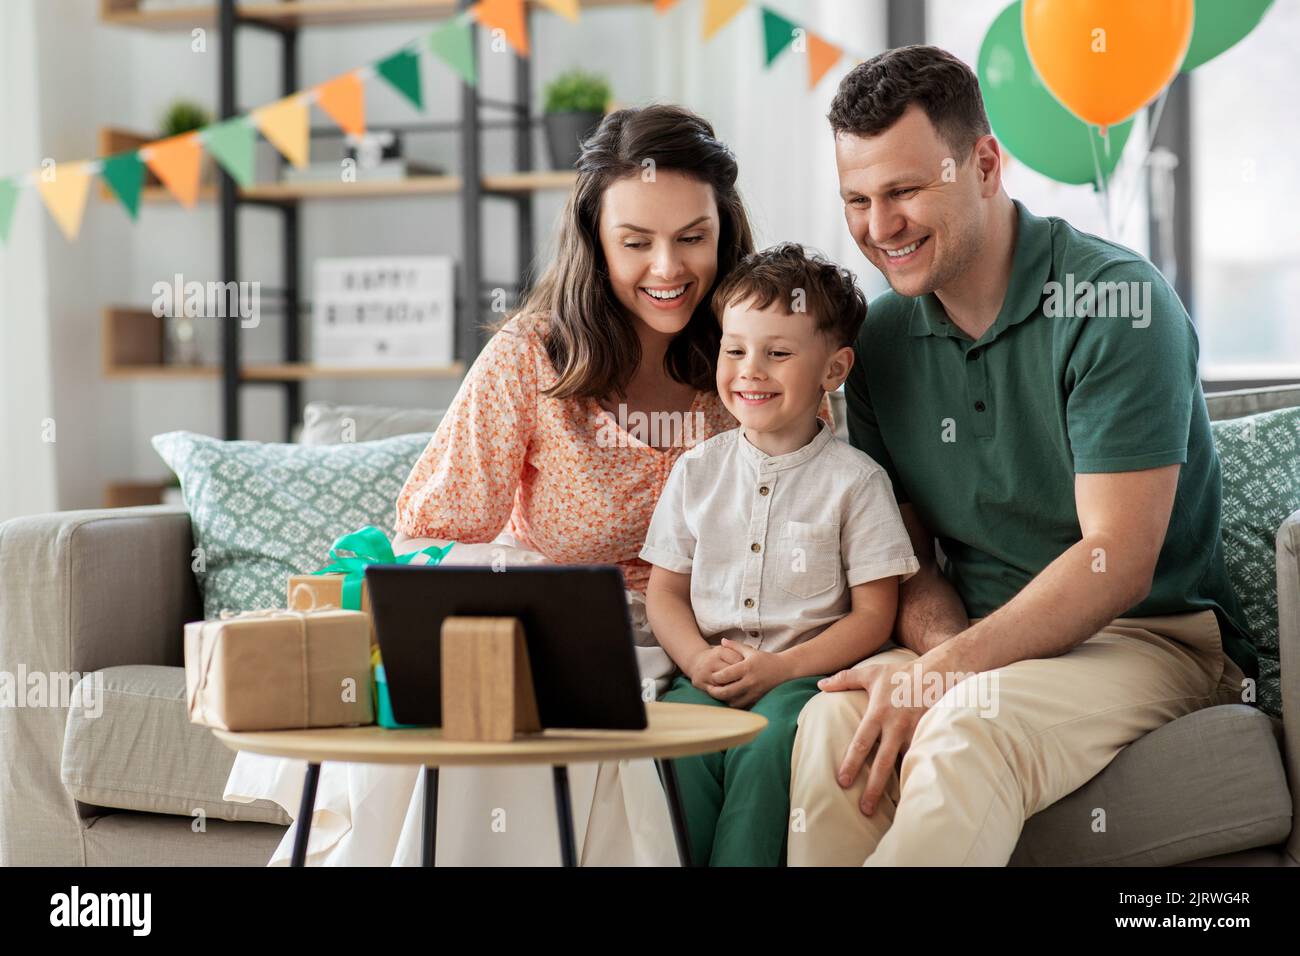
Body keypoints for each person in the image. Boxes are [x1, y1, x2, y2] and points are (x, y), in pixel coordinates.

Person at [224, 103, 824, 864]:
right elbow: (428, 532)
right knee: (497, 730)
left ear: (725, 233)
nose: (667, 269)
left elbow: (820, 498)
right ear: (596, 241)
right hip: (560, 634)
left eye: (692, 239)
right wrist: (537, 589)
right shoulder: (533, 356)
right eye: (635, 242)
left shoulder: (759, 357)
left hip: (709, 645)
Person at [788, 45, 1256, 867]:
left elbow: (1117, 561)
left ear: (985, 164)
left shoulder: (1117, 304)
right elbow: (903, 557)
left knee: (971, 728)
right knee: (835, 724)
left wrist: (953, 676)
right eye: (857, 199)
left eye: (903, 191)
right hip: (974, 638)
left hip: (1147, 638)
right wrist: (943, 659)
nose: (878, 226)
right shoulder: (879, 340)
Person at [641, 242, 917, 866]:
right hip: (704, 675)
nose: (750, 371)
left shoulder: (858, 481)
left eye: (779, 353)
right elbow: (665, 590)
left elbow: (875, 616)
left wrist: (780, 672)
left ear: (834, 370)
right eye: (735, 350)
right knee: (669, 745)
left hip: (802, 681)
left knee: (766, 751)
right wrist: (696, 657)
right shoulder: (696, 471)